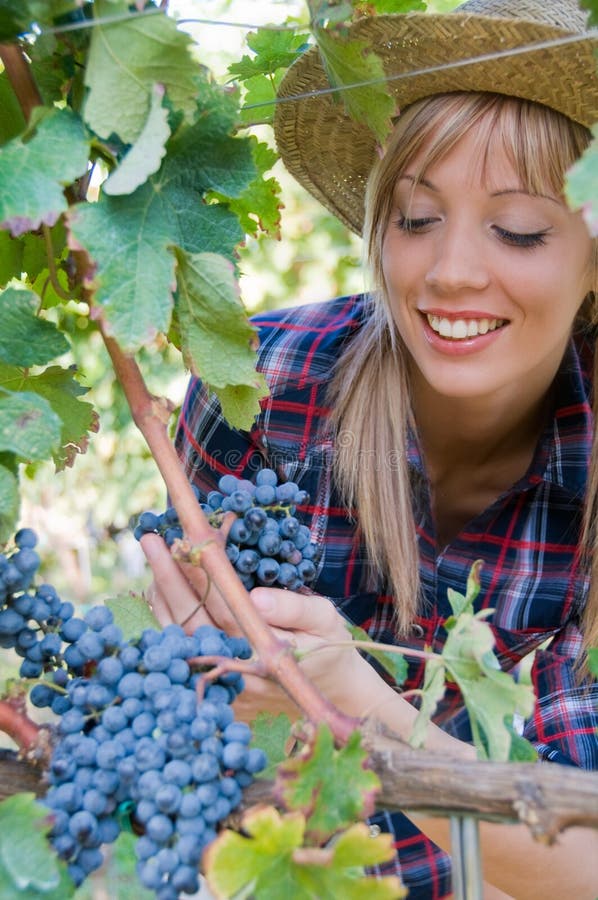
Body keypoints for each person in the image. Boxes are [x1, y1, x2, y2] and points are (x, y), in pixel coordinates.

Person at [141, 0, 598, 897]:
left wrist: (358, 707)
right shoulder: (262, 384)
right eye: (416, 218)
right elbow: (184, 749)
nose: (450, 270)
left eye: (519, 230)